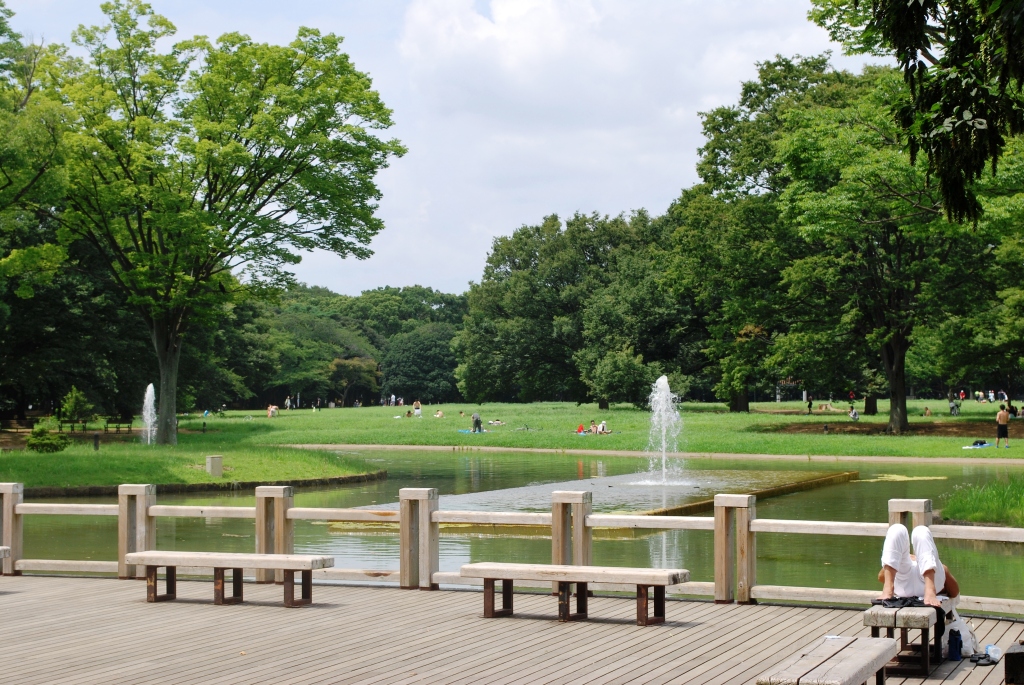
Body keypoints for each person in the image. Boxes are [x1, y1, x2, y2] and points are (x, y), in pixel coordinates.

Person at [878, 524, 959, 606]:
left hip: (927, 581)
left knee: (921, 531)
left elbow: (954, 592)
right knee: (896, 529)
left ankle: (930, 589)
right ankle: (888, 589)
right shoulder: (906, 561)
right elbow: (881, 576)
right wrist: (898, 559)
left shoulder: (936, 565)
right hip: (902, 585)